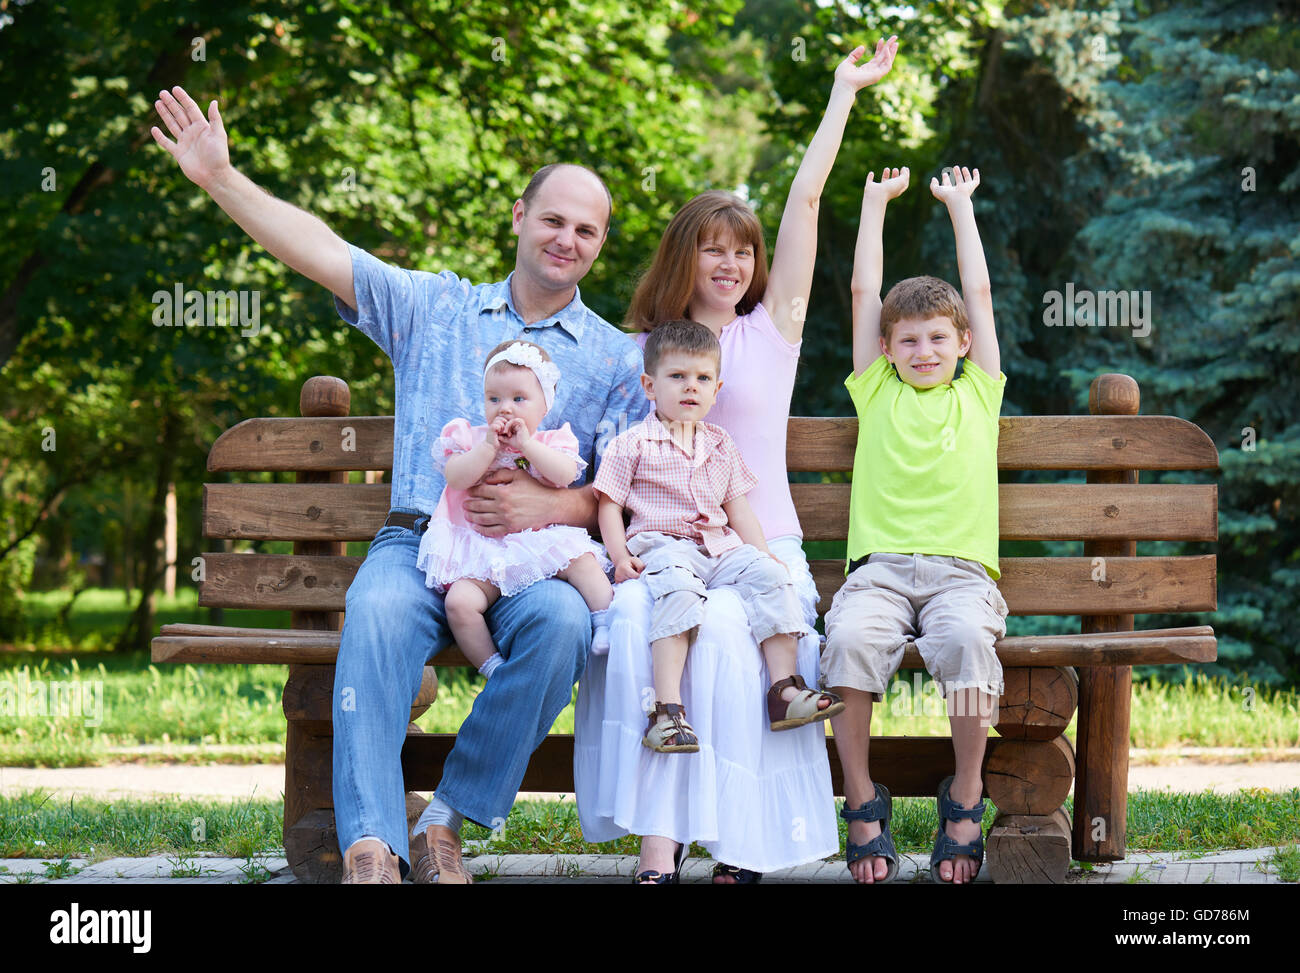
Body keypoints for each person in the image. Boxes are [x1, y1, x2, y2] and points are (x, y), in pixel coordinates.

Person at [151, 87, 647, 884]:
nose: (569, 239)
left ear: (600, 245)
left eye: (588, 230)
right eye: (555, 219)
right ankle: (372, 846)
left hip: (532, 564)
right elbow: (321, 250)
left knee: (562, 624)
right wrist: (220, 179)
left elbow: (625, 489)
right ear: (520, 216)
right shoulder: (436, 306)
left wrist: (552, 503)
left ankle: (445, 823)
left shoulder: (617, 358)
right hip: (418, 541)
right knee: (375, 610)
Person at [574, 36, 900, 884]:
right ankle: (666, 838)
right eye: (715, 248)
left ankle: (741, 844)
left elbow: (804, 201)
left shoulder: (773, 331)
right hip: (665, 554)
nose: (732, 263)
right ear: (686, 254)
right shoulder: (641, 350)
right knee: (685, 625)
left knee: (733, 628)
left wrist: (842, 93)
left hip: (758, 548)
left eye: (743, 250)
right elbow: (598, 459)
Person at [824, 164, 1008, 885]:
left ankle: (965, 795)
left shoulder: (980, 394)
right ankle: (863, 800)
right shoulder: (875, 392)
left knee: (965, 641)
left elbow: (982, 297)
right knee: (845, 639)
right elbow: (863, 293)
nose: (923, 351)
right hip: (880, 572)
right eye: (907, 341)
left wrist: (961, 208)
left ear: (962, 343)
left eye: (938, 337)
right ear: (887, 348)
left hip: (962, 575)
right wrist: (874, 205)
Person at [593, 321, 833, 767]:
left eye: (702, 378)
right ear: (649, 385)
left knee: (771, 577)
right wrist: (619, 556)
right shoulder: (631, 444)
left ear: (716, 388)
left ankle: (785, 690)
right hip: (662, 545)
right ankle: (666, 711)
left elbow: (739, 509)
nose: (691, 387)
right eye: (677, 376)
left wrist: (764, 554)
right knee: (680, 593)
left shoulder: (720, 443)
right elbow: (608, 505)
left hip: (717, 547)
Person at [418, 339, 615, 680]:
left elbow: (565, 474)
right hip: (480, 552)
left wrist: (526, 446)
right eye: (494, 399)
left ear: (544, 406)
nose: (505, 408)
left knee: (583, 563)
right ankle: (492, 667)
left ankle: (606, 622)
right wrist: (487, 448)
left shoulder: (551, 442)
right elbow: (456, 476)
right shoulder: (470, 438)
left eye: (518, 399)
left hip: (536, 545)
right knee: (459, 604)